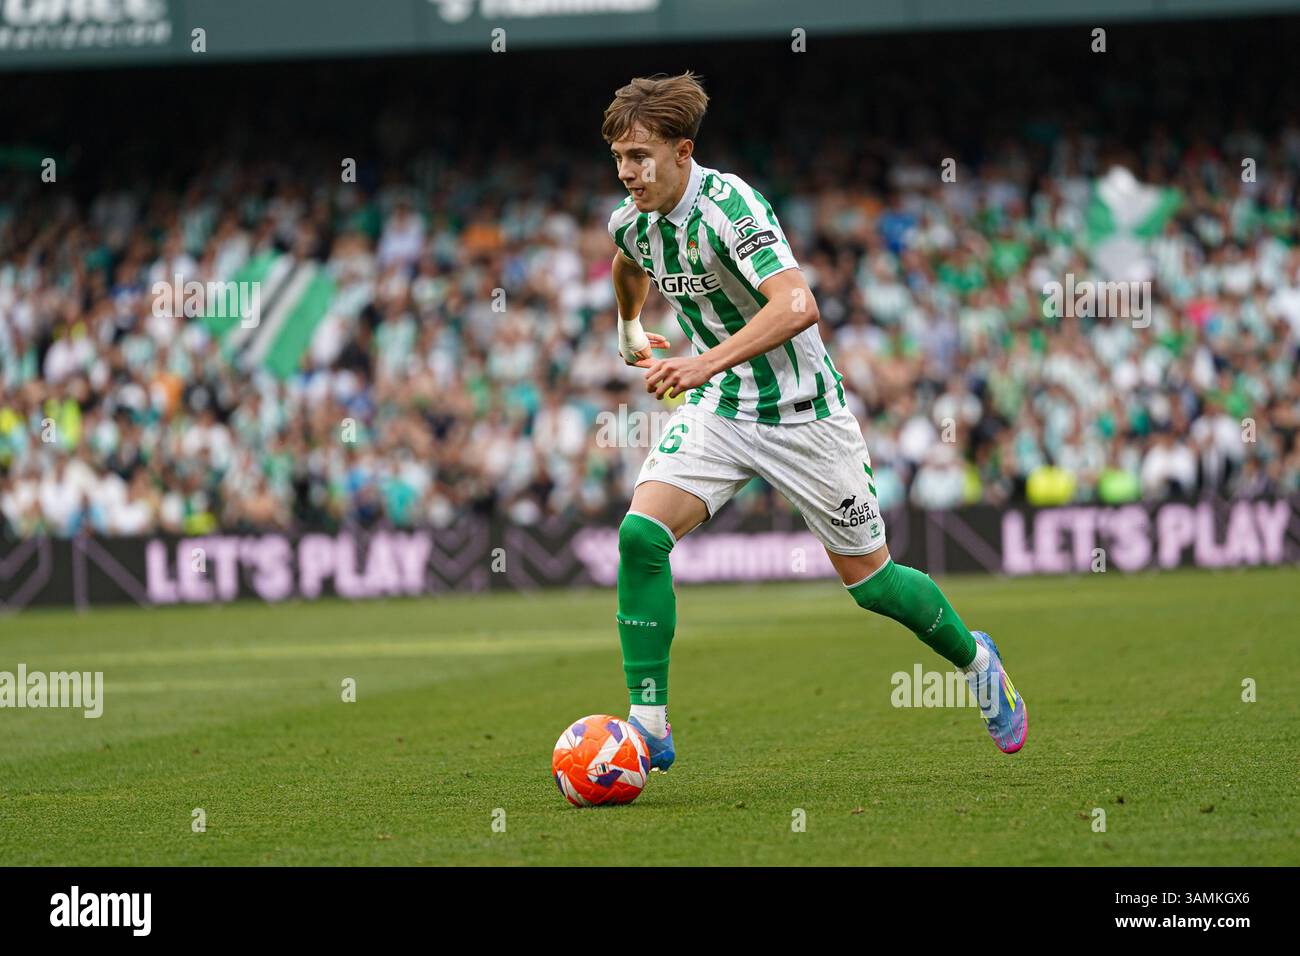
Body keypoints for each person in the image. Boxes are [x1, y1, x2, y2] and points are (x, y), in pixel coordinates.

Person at [602, 71, 1027, 770]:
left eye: (640, 157)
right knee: (640, 537)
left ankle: (977, 660)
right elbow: (628, 260)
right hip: (722, 409)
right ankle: (649, 726)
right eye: (618, 158)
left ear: (682, 152)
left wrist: (706, 363)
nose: (627, 173)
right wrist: (628, 327)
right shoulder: (632, 218)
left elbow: (798, 305)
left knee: (874, 585)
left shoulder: (729, 206)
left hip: (804, 417)